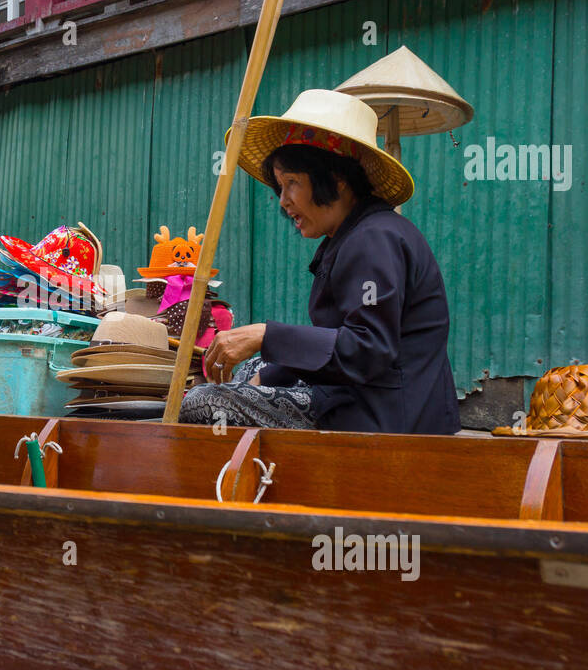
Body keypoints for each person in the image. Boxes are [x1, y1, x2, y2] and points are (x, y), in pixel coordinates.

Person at [181, 89, 459, 434]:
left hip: (388, 418)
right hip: (362, 398)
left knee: (204, 401)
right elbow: (332, 343)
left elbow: (368, 350)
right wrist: (264, 374)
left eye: (292, 183)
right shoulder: (353, 236)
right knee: (251, 368)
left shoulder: (374, 239)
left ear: (337, 179)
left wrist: (267, 335)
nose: (283, 202)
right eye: (280, 187)